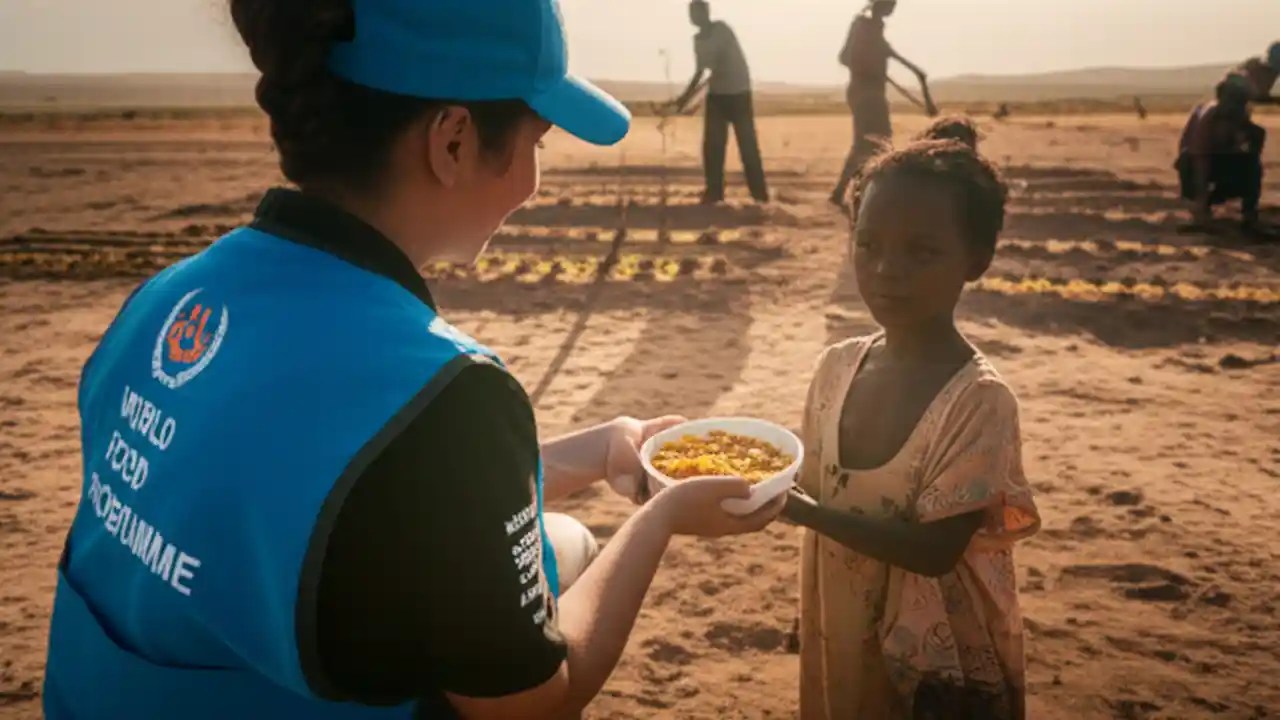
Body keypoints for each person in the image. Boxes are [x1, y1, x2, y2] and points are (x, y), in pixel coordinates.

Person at [40, 0, 785, 718]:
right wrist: (658, 518)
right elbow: (528, 703)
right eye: (536, 145)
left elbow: (345, 494)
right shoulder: (447, 389)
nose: (532, 185)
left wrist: (593, 451)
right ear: (452, 139)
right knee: (571, 546)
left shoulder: (170, 300)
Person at [785, 141, 1041, 718]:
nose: (885, 271)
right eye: (868, 244)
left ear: (976, 259)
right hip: (842, 629)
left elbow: (934, 551)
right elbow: (819, 493)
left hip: (936, 666)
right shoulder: (835, 370)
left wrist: (796, 510)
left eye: (921, 251)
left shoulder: (979, 401)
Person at [830, 0, 930, 208]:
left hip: (872, 93)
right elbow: (844, 58)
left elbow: (908, 66)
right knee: (869, 143)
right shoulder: (862, 27)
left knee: (876, 142)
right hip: (864, 93)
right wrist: (869, 67)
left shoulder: (876, 31)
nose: (893, 8)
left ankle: (854, 191)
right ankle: (848, 192)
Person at [673, 0, 770, 204]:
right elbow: (701, 71)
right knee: (712, 146)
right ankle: (714, 191)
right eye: (690, 13)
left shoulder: (722, 30)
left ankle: (760, 194)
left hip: (738, 93)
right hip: (717, 94)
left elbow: (710, 70)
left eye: (696, 12)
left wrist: (688, 99)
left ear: (706, 13)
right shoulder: (697, 40)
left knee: (747, 145)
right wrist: (684, 99)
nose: (692, 17)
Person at [1176, 75, 1266, 233]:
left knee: (1252, 161)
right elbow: (1200, 159)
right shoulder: (1209, 117)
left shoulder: (1238, 114)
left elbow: (1249, 153)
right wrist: (1201, 204)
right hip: (1195, 164)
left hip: (1218, 160)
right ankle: (1201, 209)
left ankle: (1249, 215)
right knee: (1189, 162)